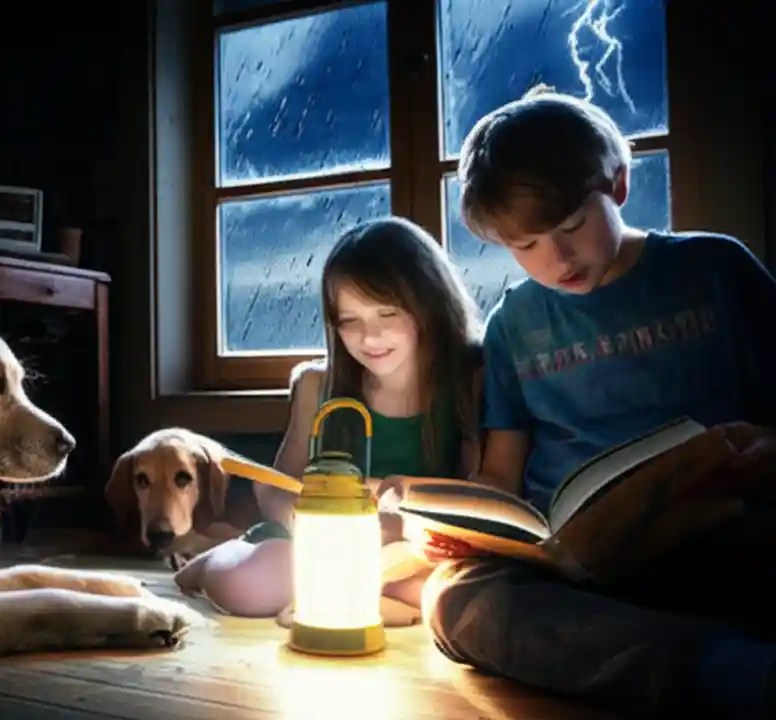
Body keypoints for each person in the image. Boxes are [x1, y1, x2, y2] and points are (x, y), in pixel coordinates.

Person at [420, 84, 776, 718]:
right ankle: (715, 666)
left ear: (617, 184)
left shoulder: (715, 270)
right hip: (581, 561)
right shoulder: (514, 324)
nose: (555, 259)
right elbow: (502, 470)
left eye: (571, 227)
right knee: (454, 600)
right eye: (523, 246)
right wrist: (471, 529)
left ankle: (695, 657)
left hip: (714, 529)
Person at [173, 215, 485, 619]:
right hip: (317, 541)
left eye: (387, 316)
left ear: (429, 305)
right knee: (251, 586)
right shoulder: (317, 386)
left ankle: (357, 595)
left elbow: (478, 494)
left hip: (416, 547)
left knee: (446, 592)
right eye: (349, 321)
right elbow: (274, 487)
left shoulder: (470, 380)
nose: (369, 338)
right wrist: (306, 521)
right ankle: (210, 563)